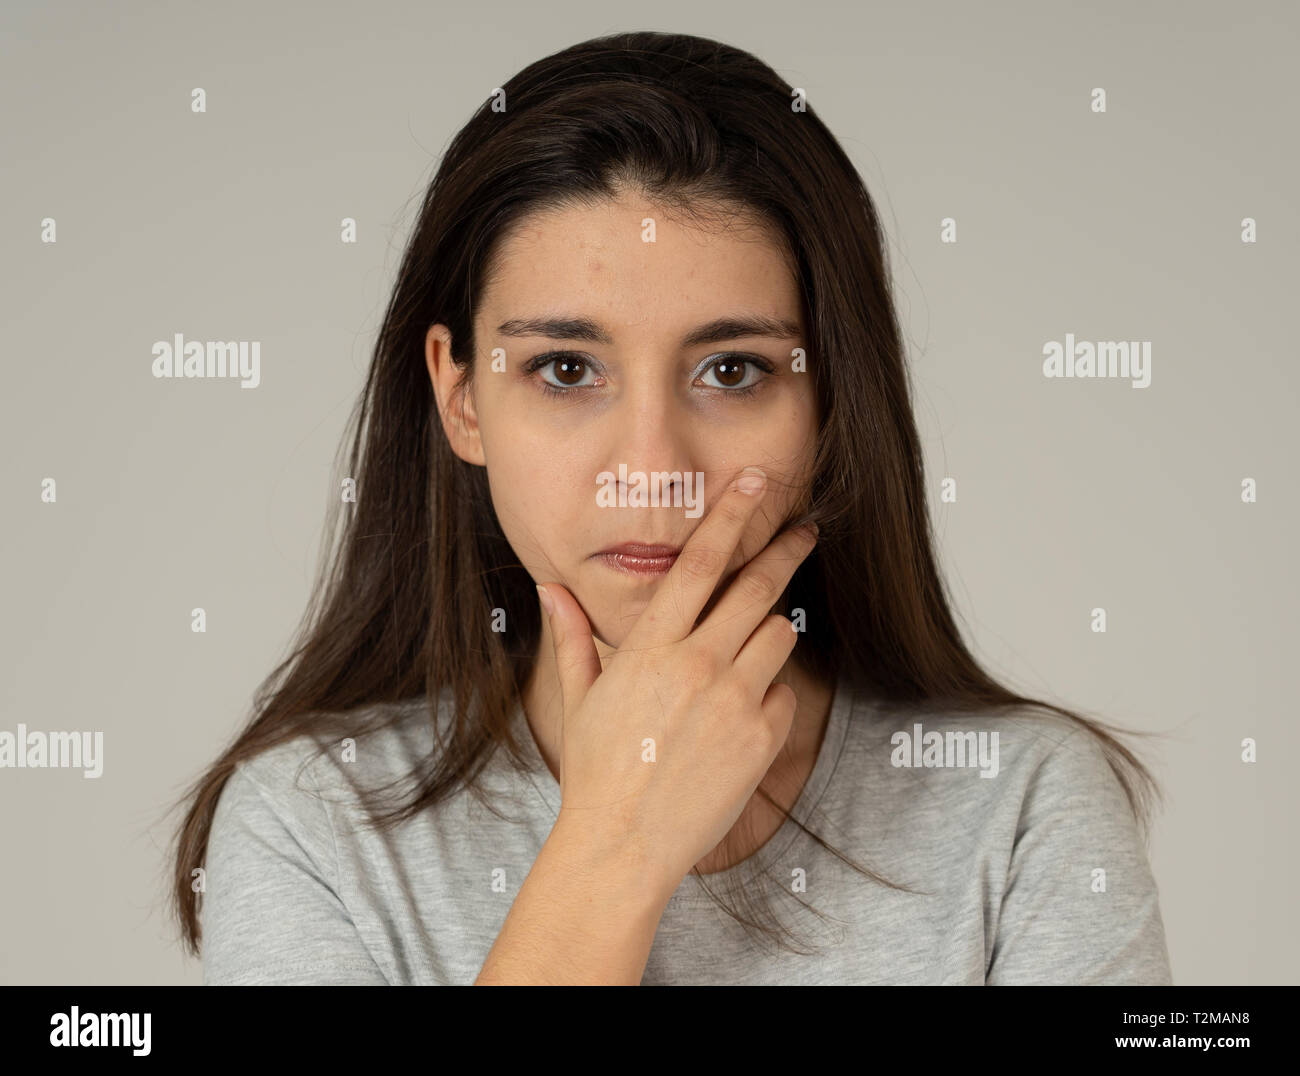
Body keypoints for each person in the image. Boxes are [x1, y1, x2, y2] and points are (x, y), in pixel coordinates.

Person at [169, 30, 1173, 985]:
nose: (651, 469)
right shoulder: (313, 821)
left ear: (830, 402)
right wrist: (616, 845)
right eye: (566, 368)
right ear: (460, 395)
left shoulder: (1024, 805)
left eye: (731, 370)